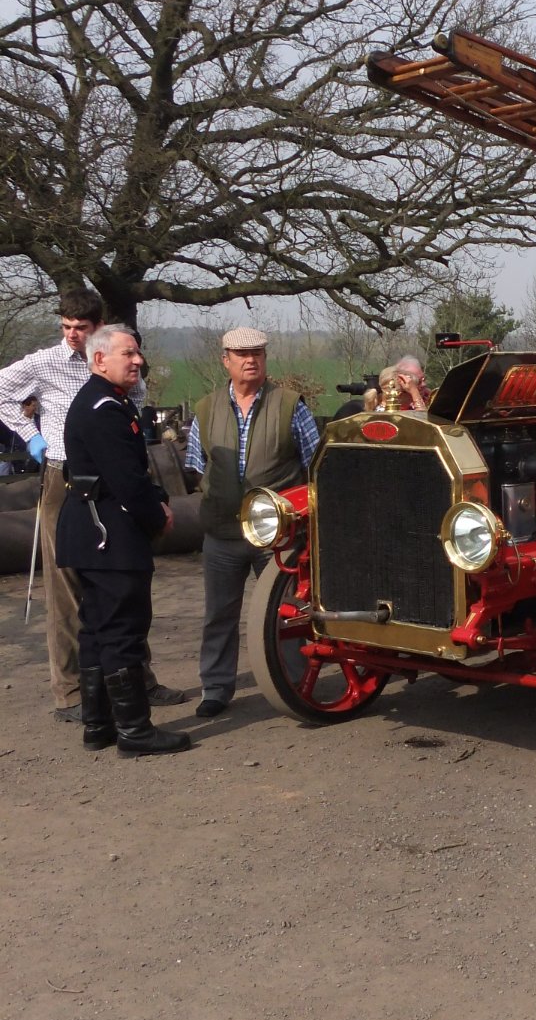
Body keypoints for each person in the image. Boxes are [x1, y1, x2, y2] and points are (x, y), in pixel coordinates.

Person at [0, 289, 182, 720]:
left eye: (80, 328)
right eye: (65, 327)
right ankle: (70, 691)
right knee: (65, 584)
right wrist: (32, 437)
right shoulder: (45, 361)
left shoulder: (119, 356)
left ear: (98, 326)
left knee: (125, 582)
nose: (72, 336)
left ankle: (138, 679)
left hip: (115, 473)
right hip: (64, 475)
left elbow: (136, 403)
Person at [55, 326, 190, 757]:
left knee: (97, 628)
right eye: (128, 354)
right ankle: (134, 731)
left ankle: (99, 725)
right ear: (99, 360)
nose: (137, 361)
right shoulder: (103, 408)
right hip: (108, 533)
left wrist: (157, 499)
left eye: (138, 354)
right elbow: (128, 481)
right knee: (122, 631)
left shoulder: (111, 402)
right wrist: (157, 516)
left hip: (94, 530)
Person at [184, 327, 320, 716]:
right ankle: (216, 688)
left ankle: (295, 685)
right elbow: (197, 467)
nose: (251, 360)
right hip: (223, 533)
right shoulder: (207, 409)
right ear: (225, 359)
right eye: (241, 354)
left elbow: (316, 465)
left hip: (278, 537)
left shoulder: (291, 405)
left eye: (258, 353)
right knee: (219, 614)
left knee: (288, 613)